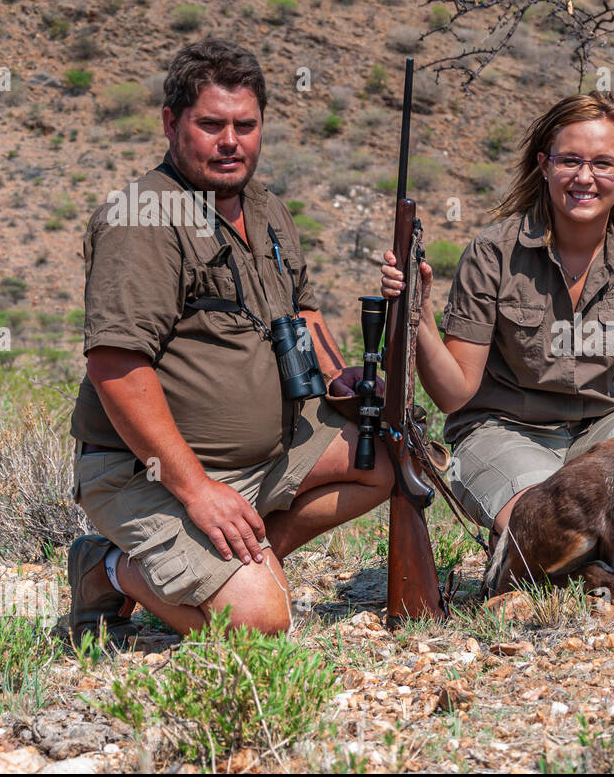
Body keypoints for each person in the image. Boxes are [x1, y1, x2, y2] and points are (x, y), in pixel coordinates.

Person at [68, 39, 395, 641]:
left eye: (245, 125)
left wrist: (339, 374)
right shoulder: (142, 218)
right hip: (153, 473)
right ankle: (108, 569)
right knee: (260, 624)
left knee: (386, 455)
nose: (230, 141)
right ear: (171, 124)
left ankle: (242, 562)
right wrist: (196, 490)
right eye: (211, 124)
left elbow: (301, 309)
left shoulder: (267, 208)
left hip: (269, 455)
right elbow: (117, 364)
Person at [381, 93, 614, 539]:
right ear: (544, 166)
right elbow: (453, 395)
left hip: (600, 428)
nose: (585, 177)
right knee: (551, 530)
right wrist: (420, 315)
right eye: (570, 161)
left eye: (603, 164)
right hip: (501, 432)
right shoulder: (493, 253)